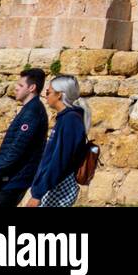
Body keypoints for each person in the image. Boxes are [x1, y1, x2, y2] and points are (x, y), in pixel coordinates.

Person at [0, 68, 48, 207]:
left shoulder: (32, 112)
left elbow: (15, 151)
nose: (16, 88)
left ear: (32, 88)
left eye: (20, 85)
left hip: (13, 180)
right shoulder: (29, 109)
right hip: (8, 179)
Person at [25, 75, 90, 208]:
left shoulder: (70, 121)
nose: (45, 95)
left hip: (57, 186)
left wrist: (38, 194)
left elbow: (59, 160)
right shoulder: (65, 119)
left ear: (59, 95)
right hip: (52, 184)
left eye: (48, 92)